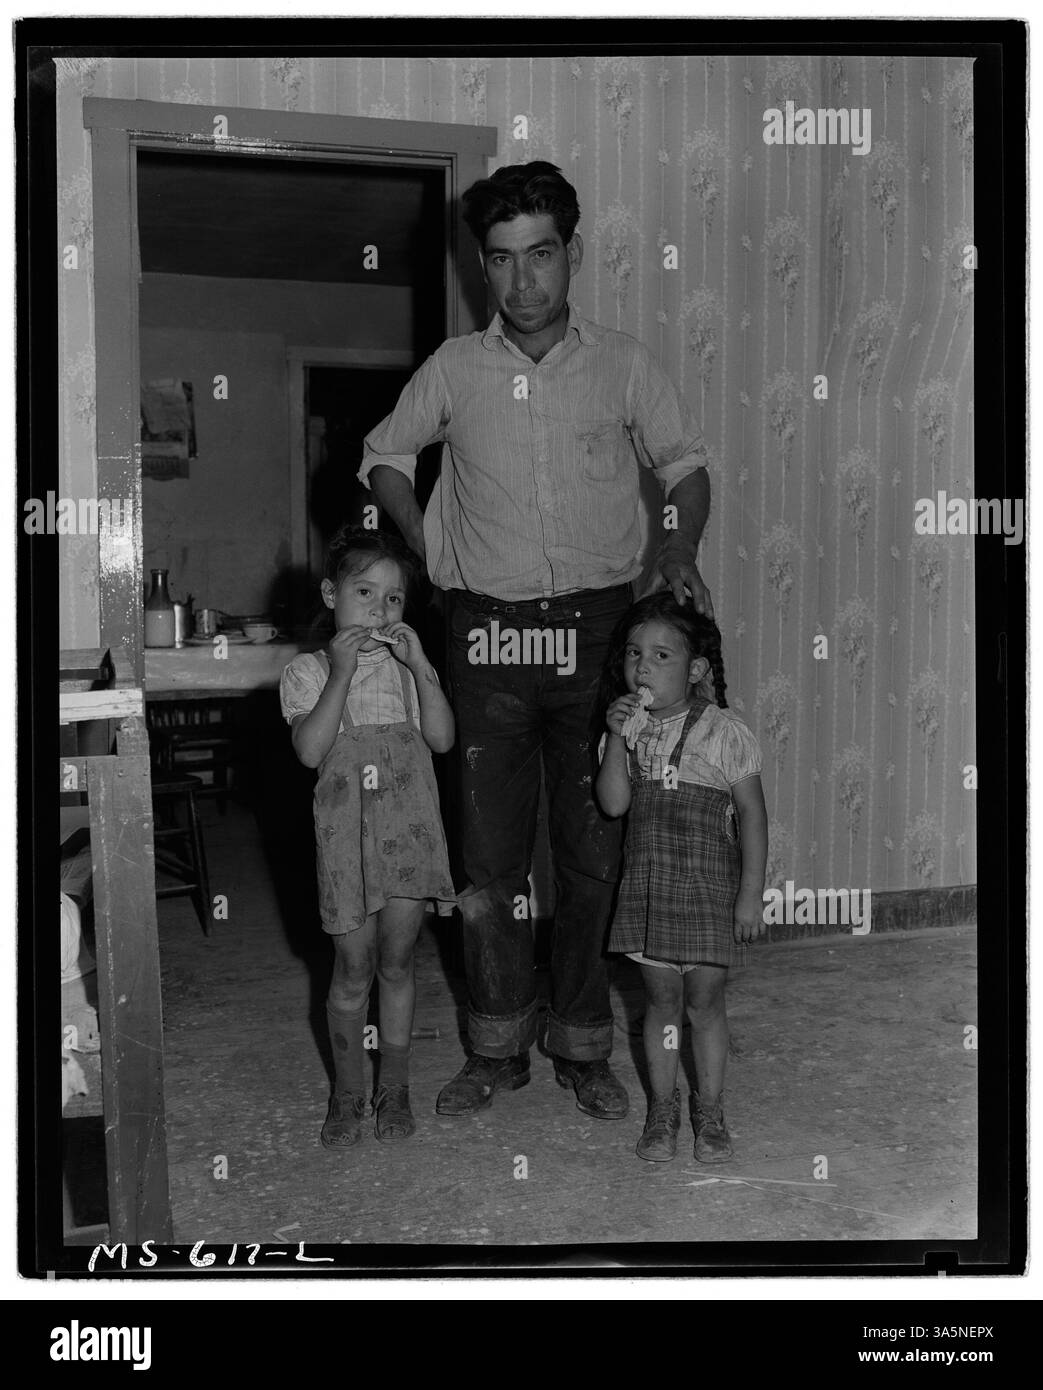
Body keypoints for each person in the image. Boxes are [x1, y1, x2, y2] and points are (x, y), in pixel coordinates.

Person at [360, 161, 714, 1121]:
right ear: (483, 267)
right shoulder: (452, 369)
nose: (523, 283)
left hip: (599, 634)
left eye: (542, 256)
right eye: (503, 261)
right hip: (485, 635)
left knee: (596, 846)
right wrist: (421, 543)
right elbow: (385, 453)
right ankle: (495, 1046)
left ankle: (584, 1044)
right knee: (488, 861)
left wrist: (676, 548)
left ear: (573, 254)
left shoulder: (626, 363)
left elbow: (682, 466)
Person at [279, 526, 456, 1147]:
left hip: (409, 839)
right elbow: (309, 751)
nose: (380, 610)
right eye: (364, 593)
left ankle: (395, 1085)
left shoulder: (411, 674)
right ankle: (348, 1090)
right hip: (347, 845)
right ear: (331, 595)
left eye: (394, 599)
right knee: (353, 967)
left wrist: (424, 668)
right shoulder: (306, 672)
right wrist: (341, 672)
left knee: (399, 961)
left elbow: (441, 740)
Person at [595, 592, 768, 1163]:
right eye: (634, 654)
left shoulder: (724, 732)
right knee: (661, 1002)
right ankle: (662, 1108)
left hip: (707, 891)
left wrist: (749, 898)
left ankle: (710, 1108)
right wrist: (617, 740)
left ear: (695, 671)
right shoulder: (628, 732)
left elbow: (752, 815)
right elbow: (614, 805)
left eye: (661, 655)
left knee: (705, 1003)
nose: (642, 667)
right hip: (649, 890)